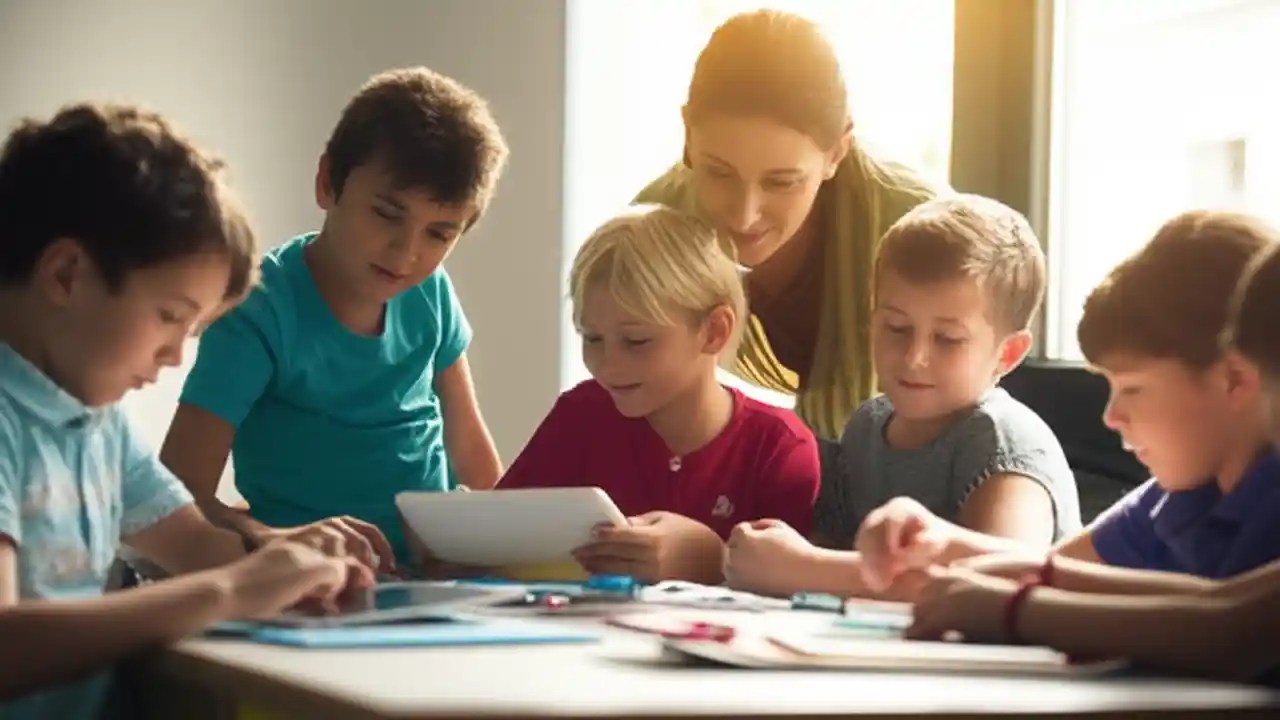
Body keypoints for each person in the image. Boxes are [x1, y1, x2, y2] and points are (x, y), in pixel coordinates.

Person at [0, 102, 371, 718]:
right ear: (66, 275)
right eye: (171, 317)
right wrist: (230, 590)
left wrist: (285, 558)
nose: (175, 356)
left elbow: (198, 545)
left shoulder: (96, 421)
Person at [162, 67, 510, 570]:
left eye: (439, 234)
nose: (405, 252)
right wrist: (271, 538)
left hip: (434, 583)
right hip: (314, 585)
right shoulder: (258, 310)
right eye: (387, 215)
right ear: (328, 184)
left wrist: (497, 546)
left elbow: (477, 465)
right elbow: (177, 494)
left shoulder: (431, 294)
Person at [905, 238, 1280, 683]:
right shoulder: (1178, 496)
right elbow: (1222, 600)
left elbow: (1231, 632)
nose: (1111, 416)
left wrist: (1016, 606)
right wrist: (1041, 574)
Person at [856, 211, 1280, 593]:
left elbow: (1219, 627)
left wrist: (1019, 611)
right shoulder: (1169, 501)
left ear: (1234, 379)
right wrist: (940, 543)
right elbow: (1053, 571)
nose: (1112, 417)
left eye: (1132, 389)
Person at [723, 195, 1079, 598]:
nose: (914, 358)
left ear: (1008, 353)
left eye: (947, 339)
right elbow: (833, 544)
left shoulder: (1002, 441)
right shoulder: (867, 426)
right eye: (896, 327)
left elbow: (1003, 581)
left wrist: (802, 569)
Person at [636, 9, 936, 439]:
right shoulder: (654, 230)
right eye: (719, 172)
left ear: (837, 152)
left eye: (781, 182)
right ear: (687, 134)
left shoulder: (919, 228)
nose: (744, 214)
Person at [498, 205, 820, 584]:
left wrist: (711, 561)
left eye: (636, 341)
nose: (607, 365)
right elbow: (496, 538)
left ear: (714, 331)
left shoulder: (779, 448)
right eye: (593, 339)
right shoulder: (580, 415)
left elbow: (797, 594)